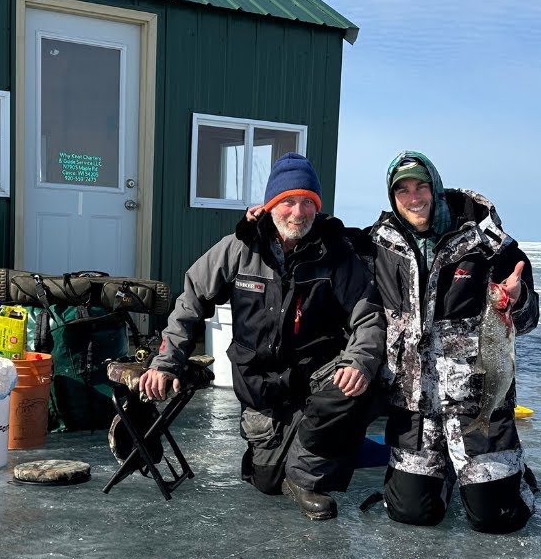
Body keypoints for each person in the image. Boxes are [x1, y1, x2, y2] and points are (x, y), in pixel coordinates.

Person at [140, 153, 383, 521]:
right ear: (270, 206)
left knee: (360, 387)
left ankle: (305, 476)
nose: (297, 212)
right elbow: (191, 300)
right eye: (287, 201)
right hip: (261, 382)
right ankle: (289, 456)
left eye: (307, 202)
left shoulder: (336, 255)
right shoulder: (239, 248)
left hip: (316, 376)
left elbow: (368, 318)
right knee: (266, 480)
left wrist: (360, 361)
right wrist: (167, 361)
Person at [369, 150, 540, 534]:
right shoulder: (379, 244)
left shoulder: (487, 241)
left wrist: (518, 301)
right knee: (412, 515)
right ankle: (445, 471)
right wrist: (267, 218)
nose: (414, 198)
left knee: (497, 519)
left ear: (436, 187)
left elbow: (529, 319)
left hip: (475, 398)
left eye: (421, 186)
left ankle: (516, 480)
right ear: (392, 197)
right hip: (413, 403)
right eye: (403, 190)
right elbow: (323, 243)